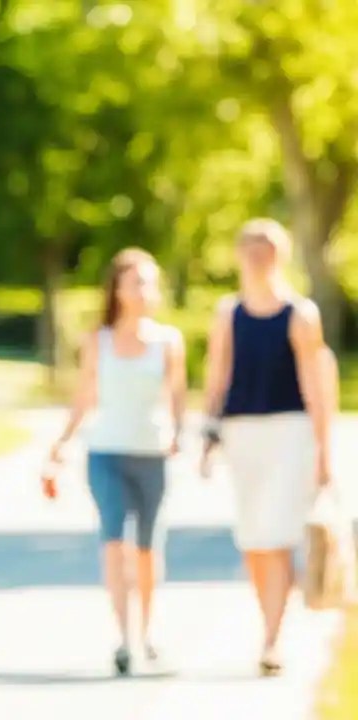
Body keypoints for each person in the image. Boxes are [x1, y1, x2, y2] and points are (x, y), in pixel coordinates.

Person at [199, 218, 331, 676]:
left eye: (267, 247)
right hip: (241, 433)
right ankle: (267, 621)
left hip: (289, 431)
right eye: (251, 247)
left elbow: (315, 386)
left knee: (277, 534)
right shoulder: (227, 313)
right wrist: (207, 436)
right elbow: (217, 378)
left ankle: (273, 638)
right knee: (253, 538)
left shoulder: (300, 313)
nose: (258, 256)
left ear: (281, 254)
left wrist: (323, 452)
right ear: (239, 254)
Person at [44, 248, 186, 675]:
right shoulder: (98, 340)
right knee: (115, 542)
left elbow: (177, 395)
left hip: (151, 454)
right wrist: (63, 444)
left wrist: (179, 432)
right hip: (105, 452)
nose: (142, 290)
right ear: (118, 290)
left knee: (145, 549)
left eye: (148, 282)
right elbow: (85, 395)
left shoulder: (168, 342)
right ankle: (125, 640)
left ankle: (147, 632)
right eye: (134, 282)